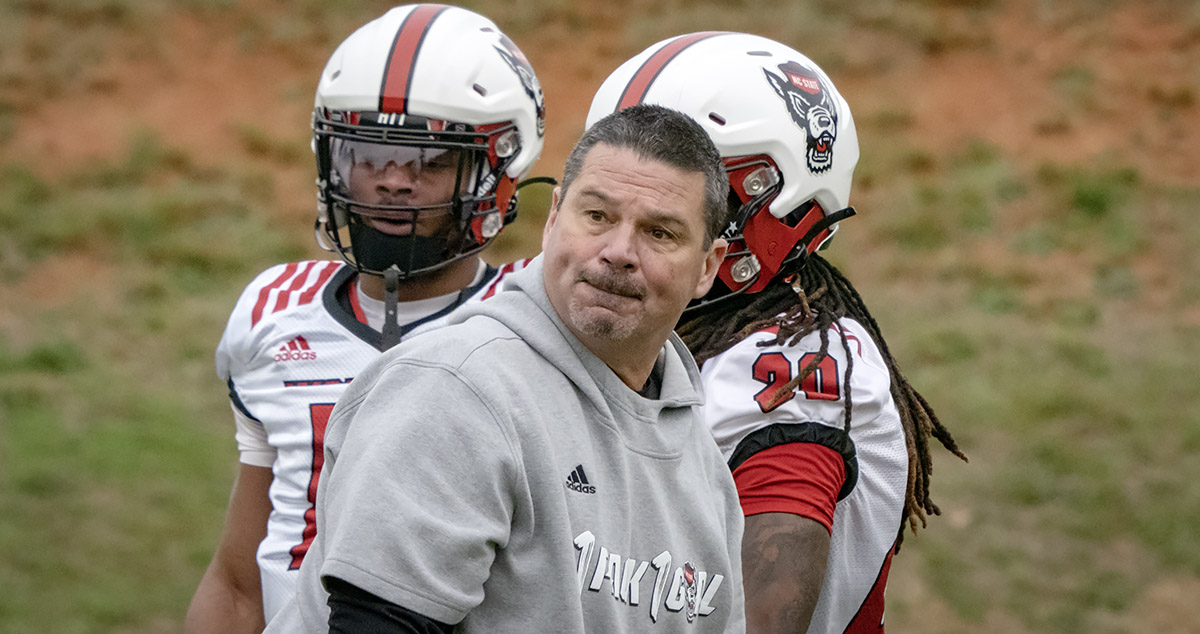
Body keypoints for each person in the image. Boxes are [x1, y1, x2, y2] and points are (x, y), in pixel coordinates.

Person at [264, 104, 746, 634]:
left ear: (707, 267)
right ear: (554, 217)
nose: (618, 252)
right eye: (597, 216)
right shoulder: (458, 389)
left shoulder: (706, 471)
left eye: (660, 233)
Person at [588, 33, 968, 633]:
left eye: (687, 198)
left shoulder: (785, 361)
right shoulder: (627, 323)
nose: (618, 246)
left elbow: (762, 622)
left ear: (787, 204)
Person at [184, 5, 546, 633]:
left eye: (432, 161)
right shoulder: (276, 309)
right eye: (369, 154)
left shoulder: (535, 317)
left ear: (499, 175)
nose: (392, 183)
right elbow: (239, 581)